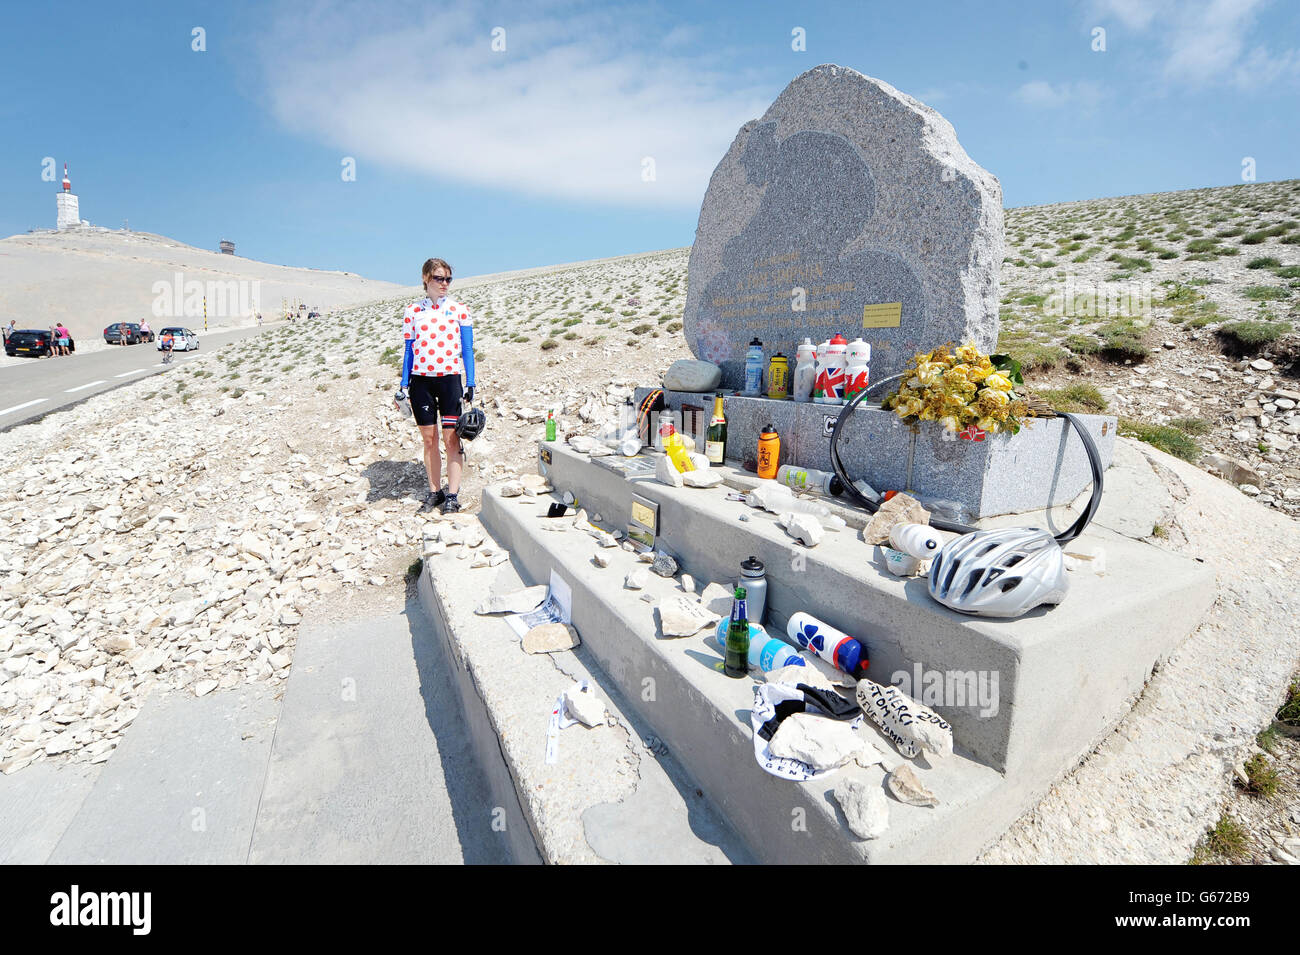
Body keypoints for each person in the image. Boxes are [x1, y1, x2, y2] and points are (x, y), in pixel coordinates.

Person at [395, 258, 476, 514]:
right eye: (439, 278)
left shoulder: (459, 310)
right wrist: (403, 384)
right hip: (421, 382)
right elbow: (408, 350)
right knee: (428, 440)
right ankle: (435, 491)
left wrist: (470, 382)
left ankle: (453, 494)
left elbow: (466, 349)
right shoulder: (412, 311)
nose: (444, 284)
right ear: (426, 279)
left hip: (450, 379)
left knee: (451, 438)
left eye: (448, 279)